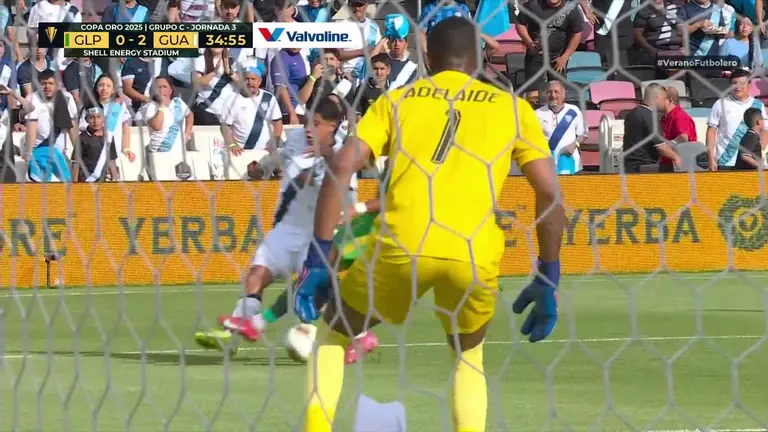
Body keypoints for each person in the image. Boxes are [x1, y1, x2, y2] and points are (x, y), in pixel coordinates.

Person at [290, 17, 564, 432]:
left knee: (335, 334)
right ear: (479, 60)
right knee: (469, 355)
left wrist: (316, 256)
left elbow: (343, 165)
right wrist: (548, 273)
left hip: (402, 243)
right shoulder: (515, 109)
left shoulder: (397, 101)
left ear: (428, 59)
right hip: (472, 251)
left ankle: (317, 425)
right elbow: (549, 194)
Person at [196, 97, 381, 364]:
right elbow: (280, 158)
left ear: (332, 126)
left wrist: (325, 160)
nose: (308, 128)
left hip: (320, 231)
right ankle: (233, 338)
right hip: (287, 228)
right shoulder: (296, 141)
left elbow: (346, 188)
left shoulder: (345, 152)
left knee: (311, 290)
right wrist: (261, 167)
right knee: (256, 276)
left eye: (315, 124)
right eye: (307, 121)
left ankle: (358, 335)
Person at [707, 68, 768, 170]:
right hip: (725, 161)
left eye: (742, 83)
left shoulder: (758, 105)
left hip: (749, 162)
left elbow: (765, 130)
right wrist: (711, 158)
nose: (738, 87)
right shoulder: (720, 104)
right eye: (734, 83)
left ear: (749, 85)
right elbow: (711, 132)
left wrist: (757, 151)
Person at [25, 69, 78, 183]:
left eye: (50, 83)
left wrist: (78, 151)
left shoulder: (67, 98)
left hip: (60, 153)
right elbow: (31, 128)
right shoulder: (32, 99)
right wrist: (28, 154)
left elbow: (72, 127)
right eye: (43, 83)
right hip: (39, 151)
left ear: (58, 85)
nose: (47, 87)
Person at [220, 60, 283, 155]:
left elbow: (278, 123)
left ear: (259, 81)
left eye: (253, 79)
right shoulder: (231, 100)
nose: (250, 82)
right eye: (246, 79)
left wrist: (274, 143)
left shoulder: (269, 98)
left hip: (265, 152)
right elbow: (224, 127)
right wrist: (233, 145)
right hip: (241, 152)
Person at [515, 0, 583, 80]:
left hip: (558, 58)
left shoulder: (571, 8)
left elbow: (577, 34)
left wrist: (565, 57)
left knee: (557, 88)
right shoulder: (532, 5)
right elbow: (520, 24)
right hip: (535, 56)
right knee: (533, 90)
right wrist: (529, 42)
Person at [622, 83, 680, 172]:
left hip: (629, 166)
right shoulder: (650, 116)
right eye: (664, 99)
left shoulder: (631, 114)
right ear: (657, 97)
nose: (665, 102)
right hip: (645, 167)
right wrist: (676, 157)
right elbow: (661, 147)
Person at [79, 74, 135, 162]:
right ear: (97, 88)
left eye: (108, 86)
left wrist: (127, 149)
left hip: (115, 153)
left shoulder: (119, 105)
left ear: (113, 90)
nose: (104, 88)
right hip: (93, 154)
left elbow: (125, 129)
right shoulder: (89, 107)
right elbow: (82, 130)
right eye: (101, 85)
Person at [536, 80, 586, 175]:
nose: (553, 95)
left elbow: (583, 134)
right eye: (549, 92)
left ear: (563, 93)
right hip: (547, 166)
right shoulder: (537, 114)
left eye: (556, 92)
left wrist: (574, 145)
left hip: (572, 165)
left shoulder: (574, 111)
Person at [192, 47, 245, 125]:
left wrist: (230, 73)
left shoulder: (235, 60)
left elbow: (244, 84)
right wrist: (213, 73)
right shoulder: (201, 60)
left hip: (230, 112)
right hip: (208, 110)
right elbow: (195, 83)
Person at [144, 75, 194, 153]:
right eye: (158, 87)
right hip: (159, 152)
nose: (161, 90)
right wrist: (162, 105)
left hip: (179, 151)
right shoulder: (151, 106)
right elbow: (157, 126)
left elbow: (190, 115)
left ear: (170, 90)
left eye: (164, 87)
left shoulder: (178, 102)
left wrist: (187, 132)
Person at [72, 107, 120, 182]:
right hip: (85, 180)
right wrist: (74, 182)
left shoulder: (109, 136)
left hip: (101, 180)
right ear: (86, 119)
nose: (95, 121)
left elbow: (111, 159)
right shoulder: (82, 138)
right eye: (91, 117)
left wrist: (115, 178)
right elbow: (76, 162)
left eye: (98, 117)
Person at [631, 0, 682, 66]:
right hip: (658, 50)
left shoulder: (675, 9)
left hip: (678, 48)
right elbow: (637, 35)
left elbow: (685, 29)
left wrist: (685, 46)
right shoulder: (643, 12)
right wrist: (651, 49)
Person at [659, 86, 695, 171]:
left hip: (678, 165)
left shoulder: (680, 116)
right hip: (667, 162)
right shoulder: (664, 118)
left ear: (669, 101)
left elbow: (683, 138)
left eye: (659, 98)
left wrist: (665, 146)